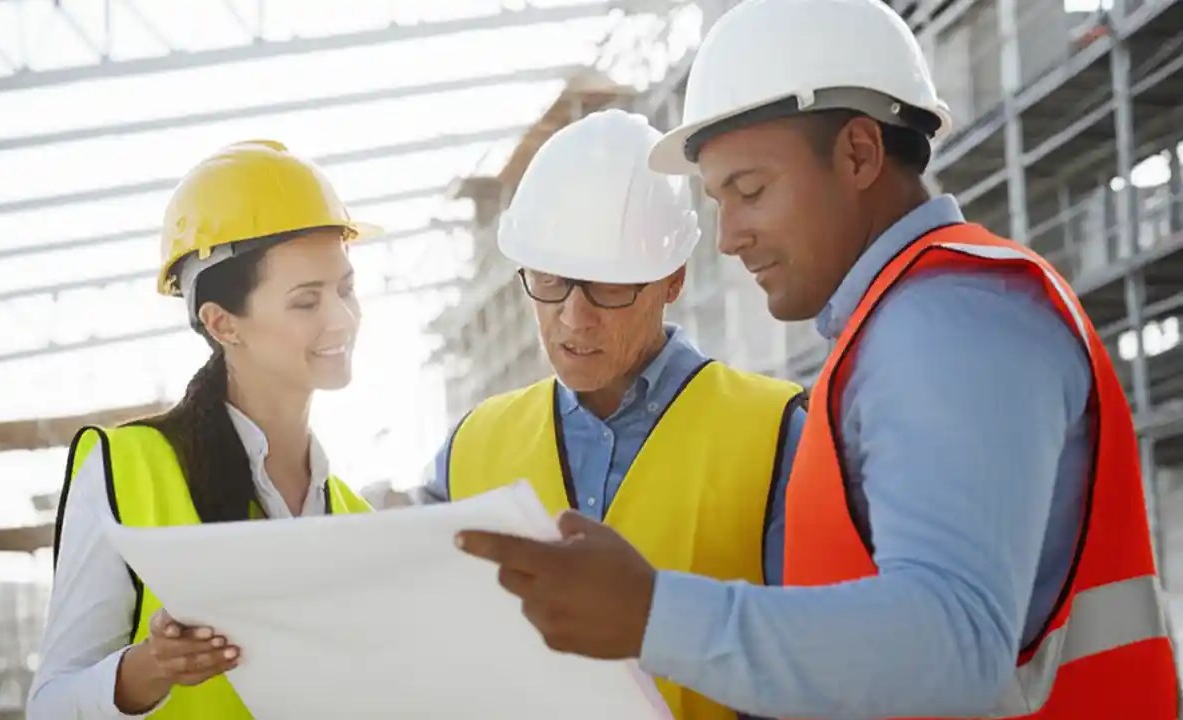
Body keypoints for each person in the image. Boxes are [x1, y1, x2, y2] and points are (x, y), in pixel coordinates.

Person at [455, 1, 1179, 718]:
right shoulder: (902, 324)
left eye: (750, 190)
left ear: (860, 154)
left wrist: (650, 613)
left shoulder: (947, 316)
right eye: (717, 201)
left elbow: (953, 641)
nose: (729, 237)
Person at [422, 108, 805, 720]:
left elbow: (815, 667)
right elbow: (419, 639)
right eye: (552, 282)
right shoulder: (469, 449)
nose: (574, 318)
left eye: (608, 287)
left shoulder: (777, 435)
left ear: (672, 279)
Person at [28, 140, 376, 719]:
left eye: (345, 289)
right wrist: (150, 669)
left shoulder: (358, 520)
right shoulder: (127, 468)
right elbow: (50, 708)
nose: (342, 317)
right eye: (305, 301)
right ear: (222, 323)